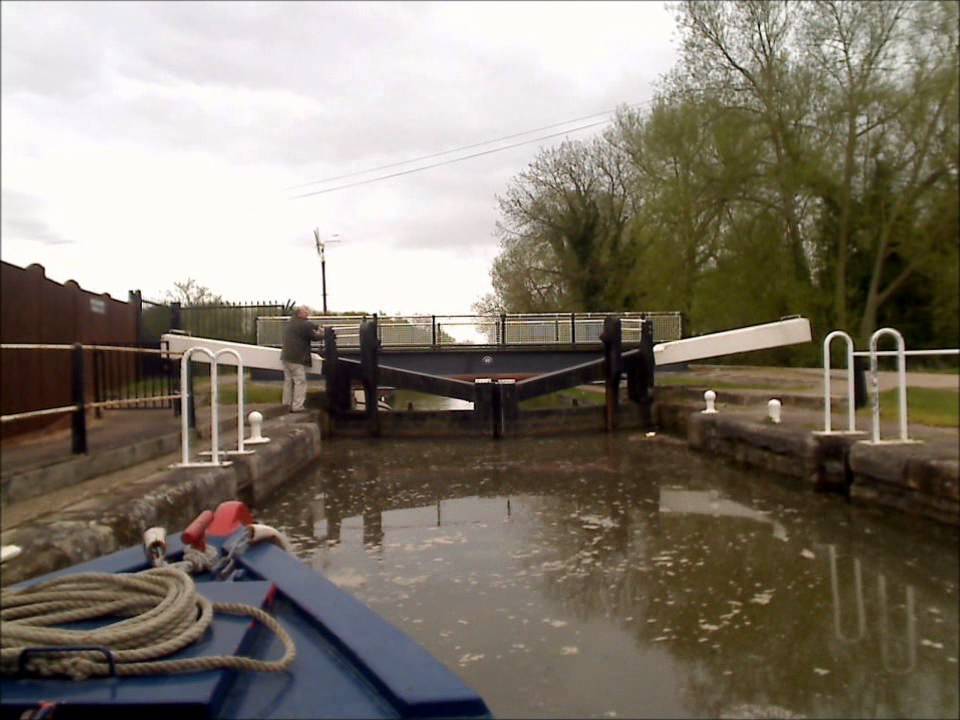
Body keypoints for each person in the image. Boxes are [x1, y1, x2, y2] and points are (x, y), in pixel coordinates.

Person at [281, 306, 321, 412]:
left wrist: (315, 326)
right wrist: (325, 334)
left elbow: (310, 325)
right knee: (300, 381)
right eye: (306, 313)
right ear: (300, 314)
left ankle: (286, 405)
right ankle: (298, 406)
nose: (308, 315)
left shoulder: (291, 323)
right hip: (296, 357)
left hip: (286, 356)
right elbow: (314, 337)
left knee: (288, 381)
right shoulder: (303, 325)